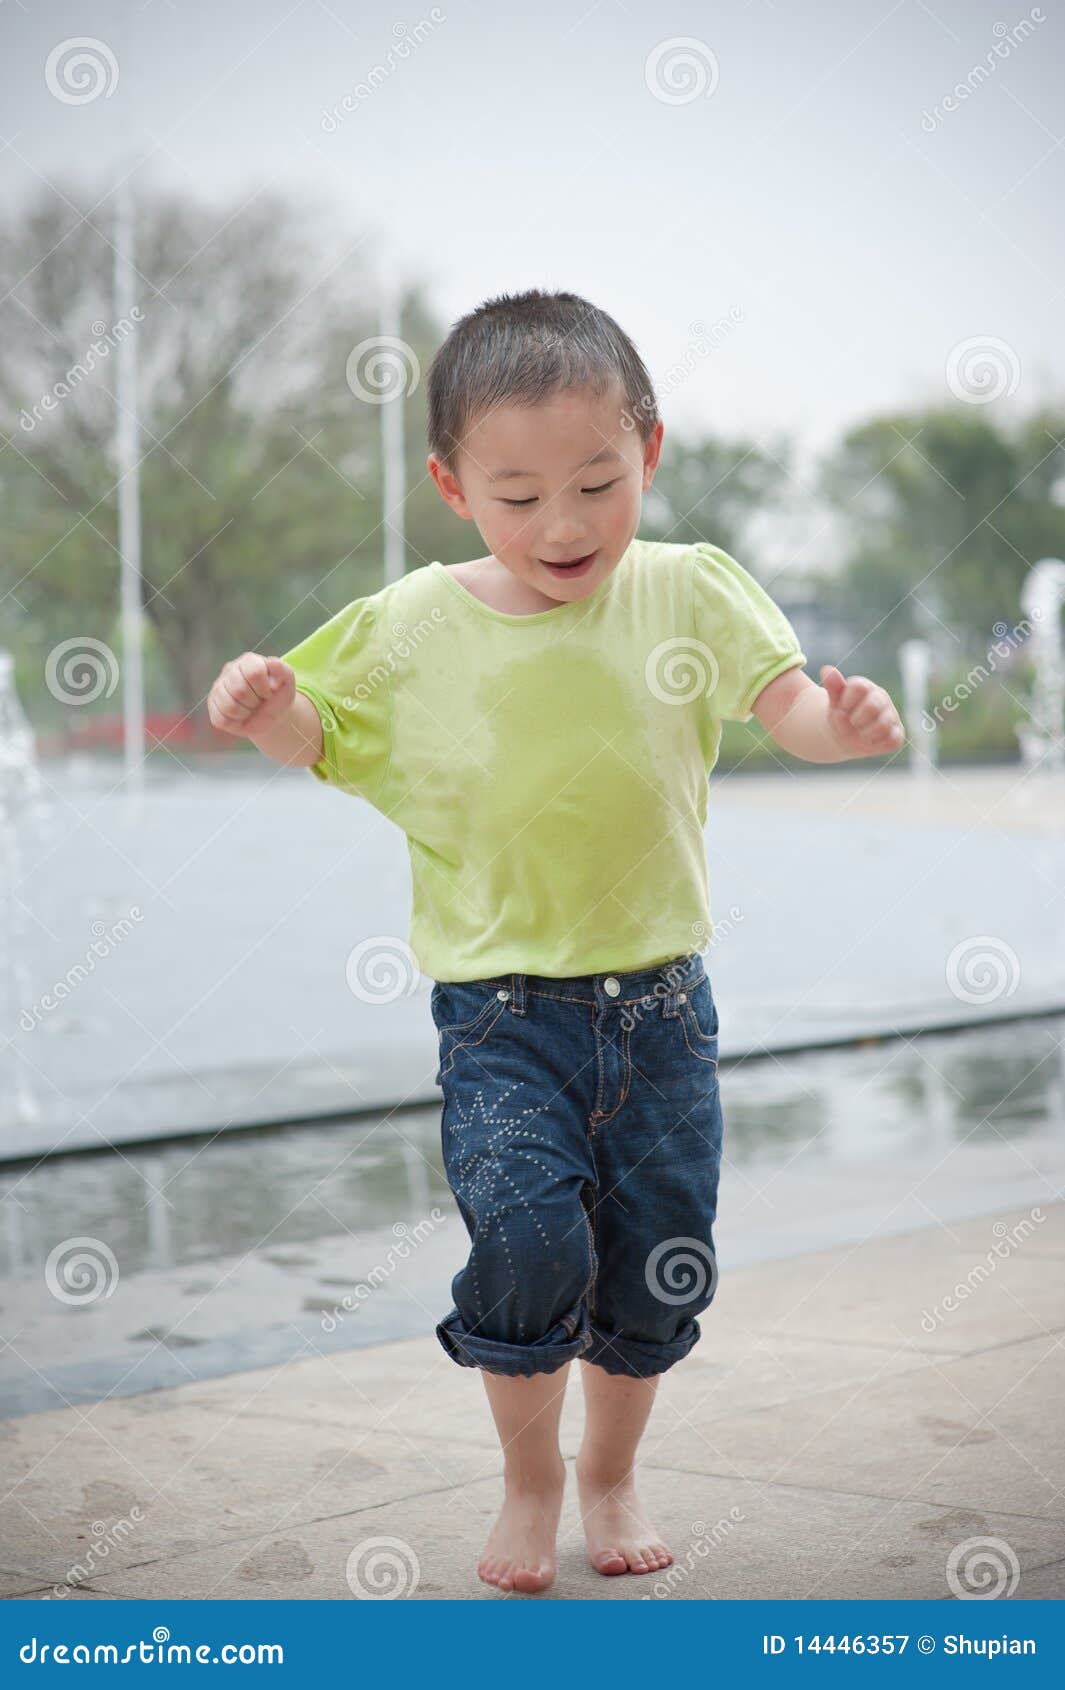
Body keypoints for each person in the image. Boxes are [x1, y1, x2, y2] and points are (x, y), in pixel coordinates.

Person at [207, 288, 904, 1595]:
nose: (565, 525)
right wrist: (266, 711)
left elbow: (787, 708)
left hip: (661, 1013)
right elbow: (320, 736)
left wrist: (843, 727)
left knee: (654, 1269)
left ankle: (609, 1472)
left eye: (596, 482)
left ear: (649, 448)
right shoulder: (413, 624)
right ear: (451, 485)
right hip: (501, 1016)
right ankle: (529, 1482)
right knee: (528, 1243)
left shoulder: (687, 589)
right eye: (518, 496)